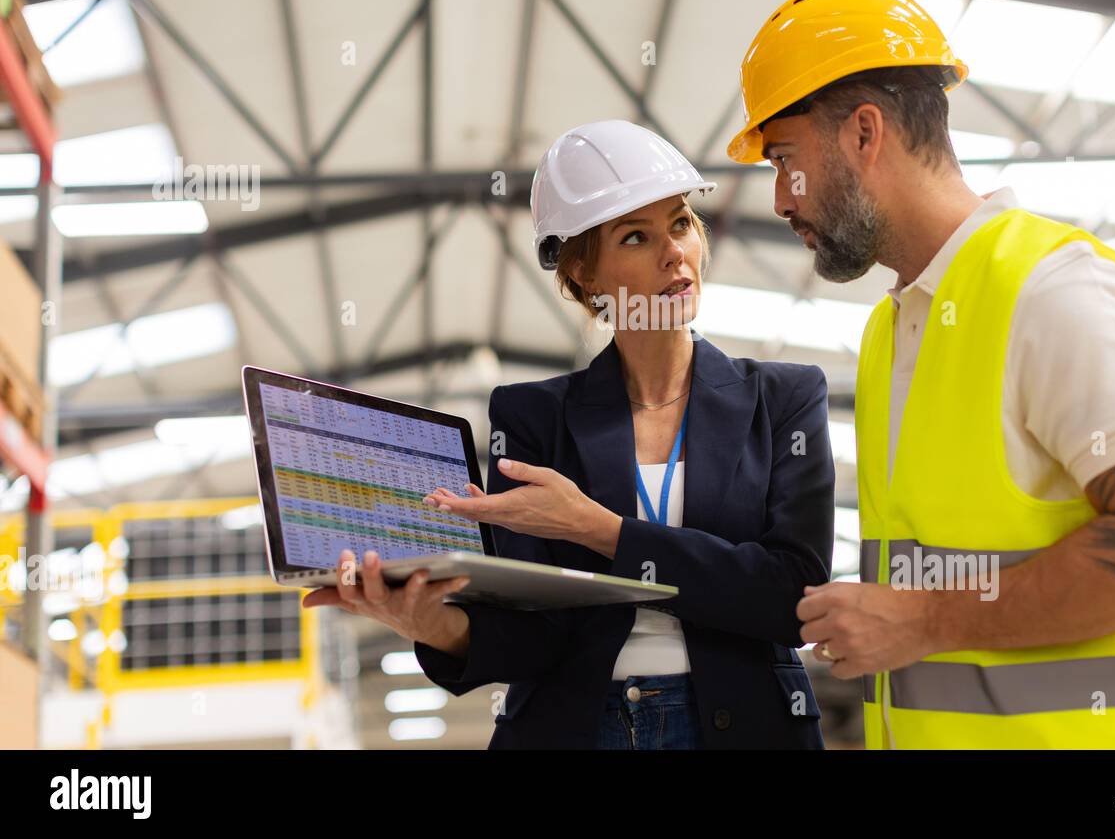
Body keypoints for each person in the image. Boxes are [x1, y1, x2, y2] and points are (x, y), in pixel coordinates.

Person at [725, 0, 1115, 748]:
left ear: (865, 134)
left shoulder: (1051, 290)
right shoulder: (890, 333)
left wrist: (924, 619)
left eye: (784, 159)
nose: (780, 201)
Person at [306, 119, 834, 749]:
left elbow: (790, 598)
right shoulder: (533, 419)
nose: (674, 252)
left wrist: (597, 529)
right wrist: (438, 627)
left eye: (682, 222)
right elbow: (537, 636)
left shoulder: (783, 399)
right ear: (584, 273)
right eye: (636, 236)